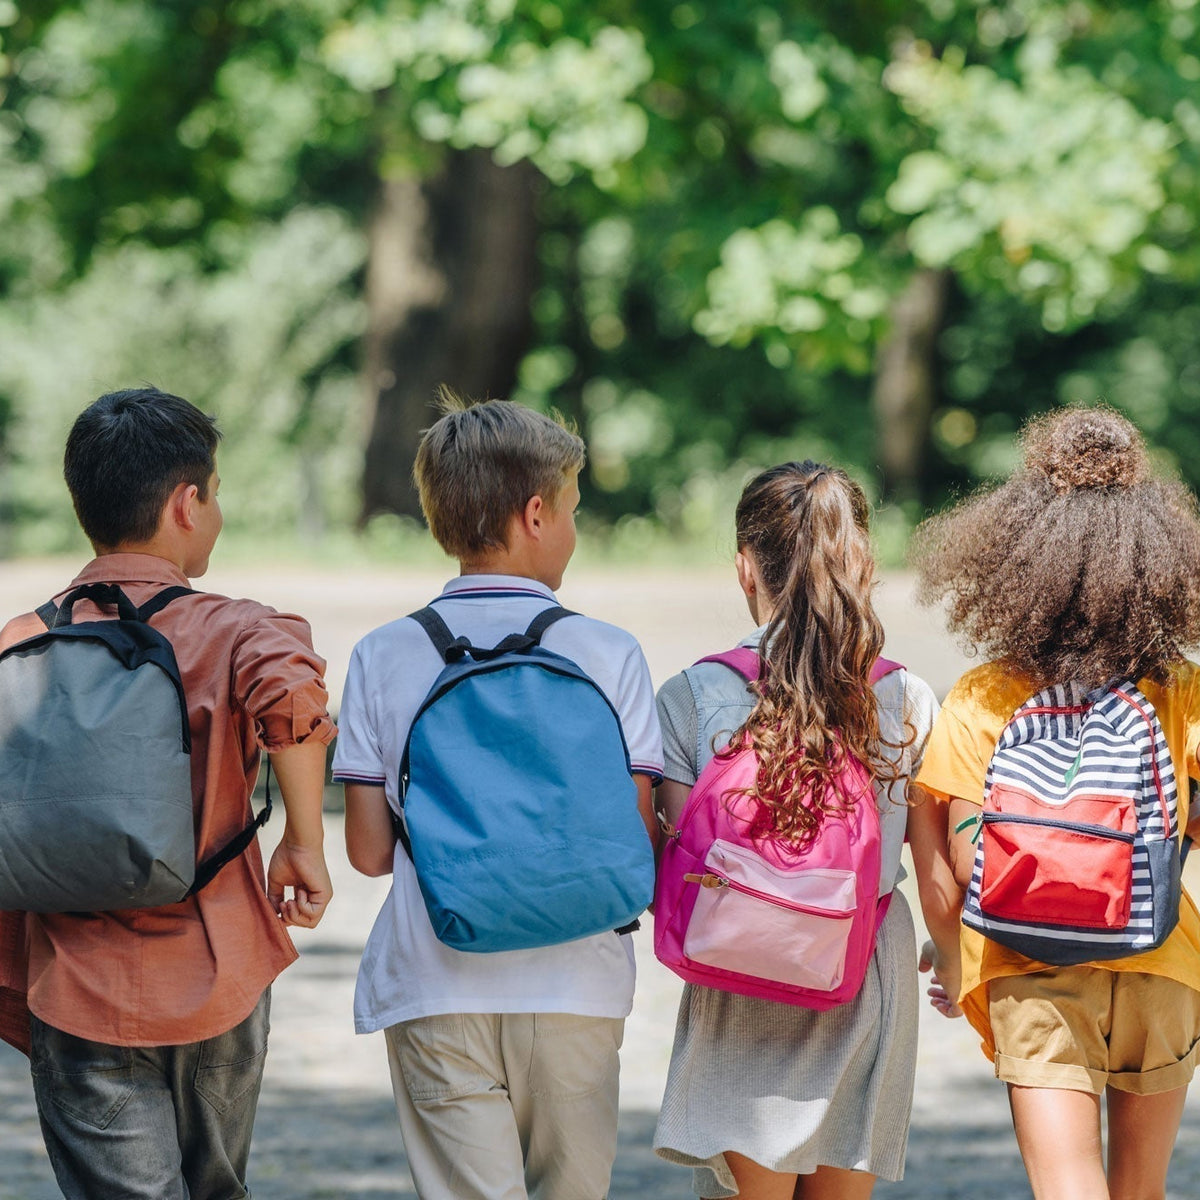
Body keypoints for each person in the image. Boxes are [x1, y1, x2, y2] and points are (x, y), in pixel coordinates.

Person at [0, 387, 336, 1200]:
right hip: (214, 969)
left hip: (73, 981)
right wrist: (302, 840)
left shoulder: (24, 643)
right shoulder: (238, 629)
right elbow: (296, 703)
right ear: (189, 503)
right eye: (215, 494)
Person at [331, 392, 663, 1200]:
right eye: (575, 510)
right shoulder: (609, 653)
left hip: (434, 979)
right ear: (537, 513)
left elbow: (370, 854)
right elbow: (638, 833)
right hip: (577, 985)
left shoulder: (382, 654)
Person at [653, 460, 963, 1200]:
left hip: (742, 965)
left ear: (743, 568)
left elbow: (670, 855)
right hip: (862, 964)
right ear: (861, 563)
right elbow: (936, 867)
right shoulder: (908, 697)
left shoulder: (694, 695)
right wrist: (951, 956)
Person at [913, 405, 1200, 1200]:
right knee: (1139, 1190)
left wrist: (950, 953)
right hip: (1162, 959)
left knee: (1068, 1186)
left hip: (1028, 962)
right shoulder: (1180, 689)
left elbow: (945, 861)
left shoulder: (985, 695)